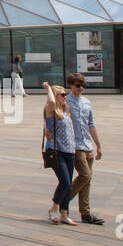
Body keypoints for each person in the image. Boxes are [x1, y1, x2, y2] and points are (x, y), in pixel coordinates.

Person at [64, 72, 105, 225]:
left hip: (87, 146)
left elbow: (91, 124)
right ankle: (62, 202)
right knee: (85, 176)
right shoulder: (66, 101)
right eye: (78, 86)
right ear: (71, 85)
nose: (81, 89)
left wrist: (98, 145)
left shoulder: (87, 102)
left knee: (87, 181)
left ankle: (85, 213)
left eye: (83, 86)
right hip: (75, 146)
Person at [42, 81, 77, 224]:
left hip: (70, 151)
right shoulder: (51, 111)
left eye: (65, 94)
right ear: (55, 96)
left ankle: (64, 214)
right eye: (62, 94)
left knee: (68, 185)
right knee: (65, 181)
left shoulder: (65, 112)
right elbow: (50, 101)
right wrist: (48, 88)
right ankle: (54, 207)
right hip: (57, 151)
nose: (65, 97)